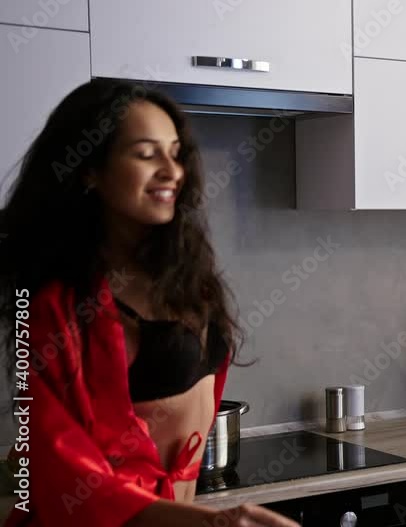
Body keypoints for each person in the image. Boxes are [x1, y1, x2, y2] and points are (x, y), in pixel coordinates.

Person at [0, 79, 297, 527]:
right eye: (145, 154)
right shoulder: (50, 305)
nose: (172, 171)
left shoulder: (185, 275)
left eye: (175, 154)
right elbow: (59, 474)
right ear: (89, 170)